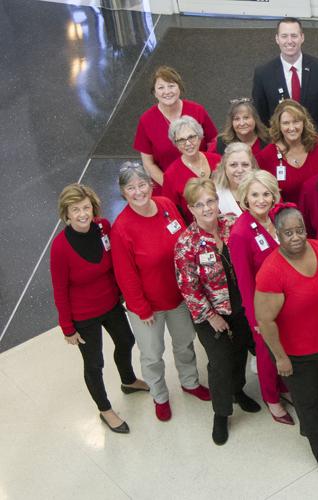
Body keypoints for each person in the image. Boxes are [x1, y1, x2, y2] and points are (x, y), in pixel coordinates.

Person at [110, 164, 209, 422]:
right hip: (147, 307)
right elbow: (125, 276)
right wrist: (141, 308)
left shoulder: (166, 205)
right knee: (152, 354)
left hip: (178, 297)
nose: (138, 191)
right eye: (131, 188)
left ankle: (189, 382)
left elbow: (184, 242)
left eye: (142, 184)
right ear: (123, 192)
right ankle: (160, 396)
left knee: (184, 344)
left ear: (150, 185)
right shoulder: (121, 229)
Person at [50, 183, 148, 434]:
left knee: (126, 341)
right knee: (94, 363)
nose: (82, 214)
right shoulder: (61, 247)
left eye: (86, 207)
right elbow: (59, 290)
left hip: (111, 303)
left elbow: (118, 262)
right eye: (75, 210)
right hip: (83, 316)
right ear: (66, 214)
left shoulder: (103, 227)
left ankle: (128, 380)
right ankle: (105, 409)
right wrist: (67, 327)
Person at [255, 206, 318, 478]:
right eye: (288, 232)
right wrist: (280, 357)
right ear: (277, 234)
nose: (296, 237)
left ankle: (312, 426)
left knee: (313, 394)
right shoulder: (271, 271)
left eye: (300, 230)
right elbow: (266, 321)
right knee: (309, 402)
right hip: (295, 354)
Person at [173, 179, 261, 445]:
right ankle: (221, 414)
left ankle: (238, 391)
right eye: (199, 205)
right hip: (210, 314)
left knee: (240, 353)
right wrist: (212, 316)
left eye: (210, 201)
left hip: (242, 305)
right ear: (191, 208)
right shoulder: (186, 244)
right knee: (220, 363)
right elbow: (188, 287)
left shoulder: (233, 223)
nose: (207, 208)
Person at [228, 170, 293, 425]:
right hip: (263, 307)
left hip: (287, 299)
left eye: (266, 193)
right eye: (255, 194)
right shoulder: (240, 233)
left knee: (285, 345)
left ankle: (282, 383)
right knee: (267, 353)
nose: (261, 200)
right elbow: (244, 283)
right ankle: (272, 398)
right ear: (245, 197)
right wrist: (256, 319)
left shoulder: (278, 217)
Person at [252, 17, 318, 135]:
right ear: (277, 39)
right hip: (281, 146)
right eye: (284, 36)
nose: (289, 41)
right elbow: (260, 116)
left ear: (302, 37)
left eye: (294, 35)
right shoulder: (263, 73)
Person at [133, 66, 217, 193]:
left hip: (204, 182)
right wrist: (171, 186)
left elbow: (214, 142)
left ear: (179, 87)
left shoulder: (197, 110)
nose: (167, 91)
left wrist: (209, 178)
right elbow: (148, 163)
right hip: (169, 187)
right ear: (155, 93)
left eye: (171, 86)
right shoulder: (146, 120)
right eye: (161, 88)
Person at [255, 99, 318, 205]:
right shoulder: (266, 157)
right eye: (286, 123)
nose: (292, 128)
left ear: (304, 122)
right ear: (278, 125)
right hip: (288, 218)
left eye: (296, 121)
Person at [162, 116, 222, 223]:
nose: (188, 143)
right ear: (175, 144)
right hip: (198, 230)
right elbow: (171, 212)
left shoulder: (217, 160)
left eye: (191, 137)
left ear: (199, 137)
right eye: (181, 140)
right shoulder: (171, 175)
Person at [212, 142, 259, 216]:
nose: (240, 170)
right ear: (224, 168)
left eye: (245, 165)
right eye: (233, 165)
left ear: (253, 167)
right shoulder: (215, 196)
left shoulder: (265, 190)